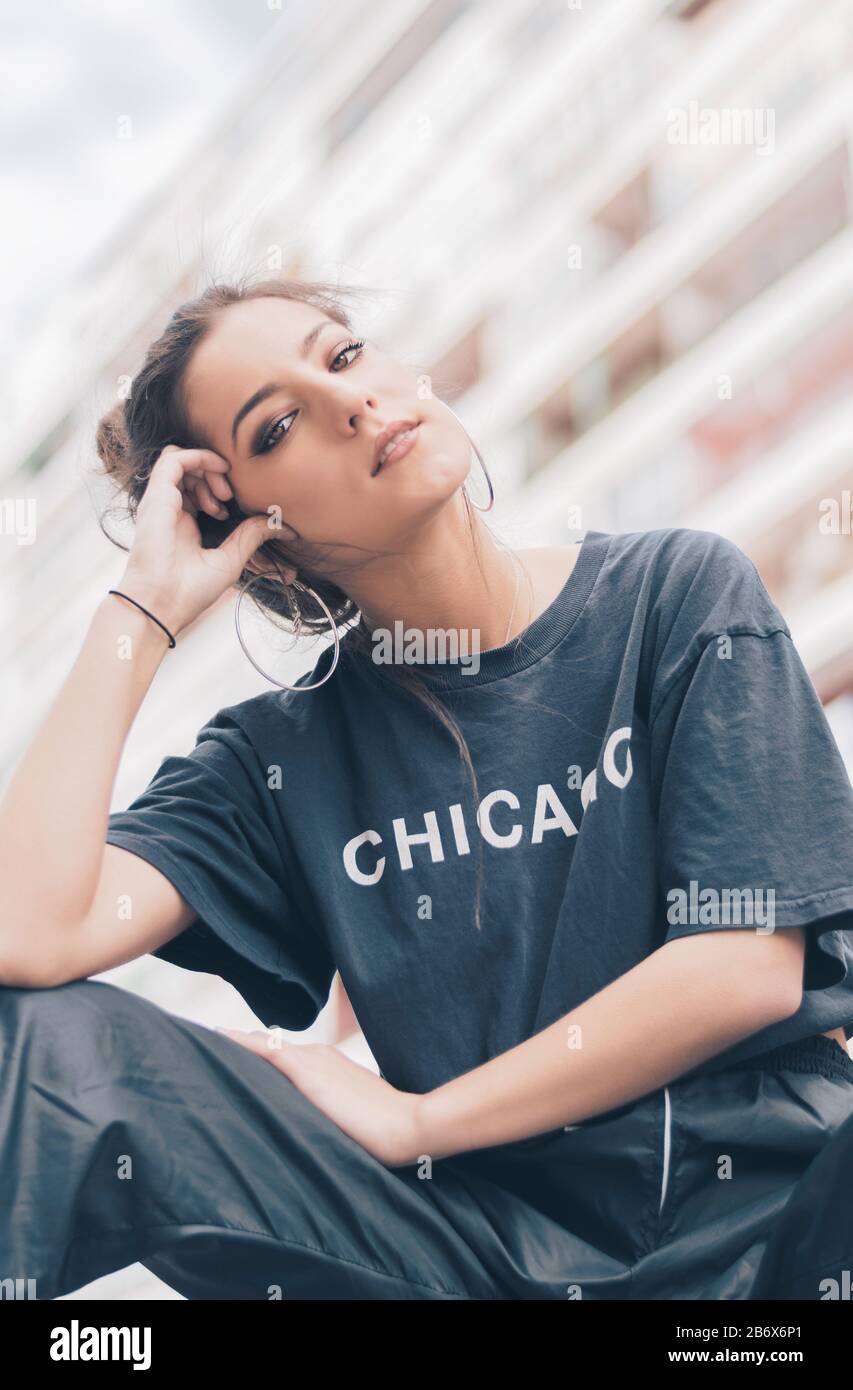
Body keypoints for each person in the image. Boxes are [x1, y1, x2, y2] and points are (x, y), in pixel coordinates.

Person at [1, 278, 852, 1302]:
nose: (347, 403)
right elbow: (27, 937)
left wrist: (415, 1121)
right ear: (253, 527)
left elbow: (742, 969)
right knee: (44, 1047)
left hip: (788, 1227)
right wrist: (141, 611)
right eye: (277, 427)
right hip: (478, 1260)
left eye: (342, 356)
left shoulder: (673, 595)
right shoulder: (277, 762)